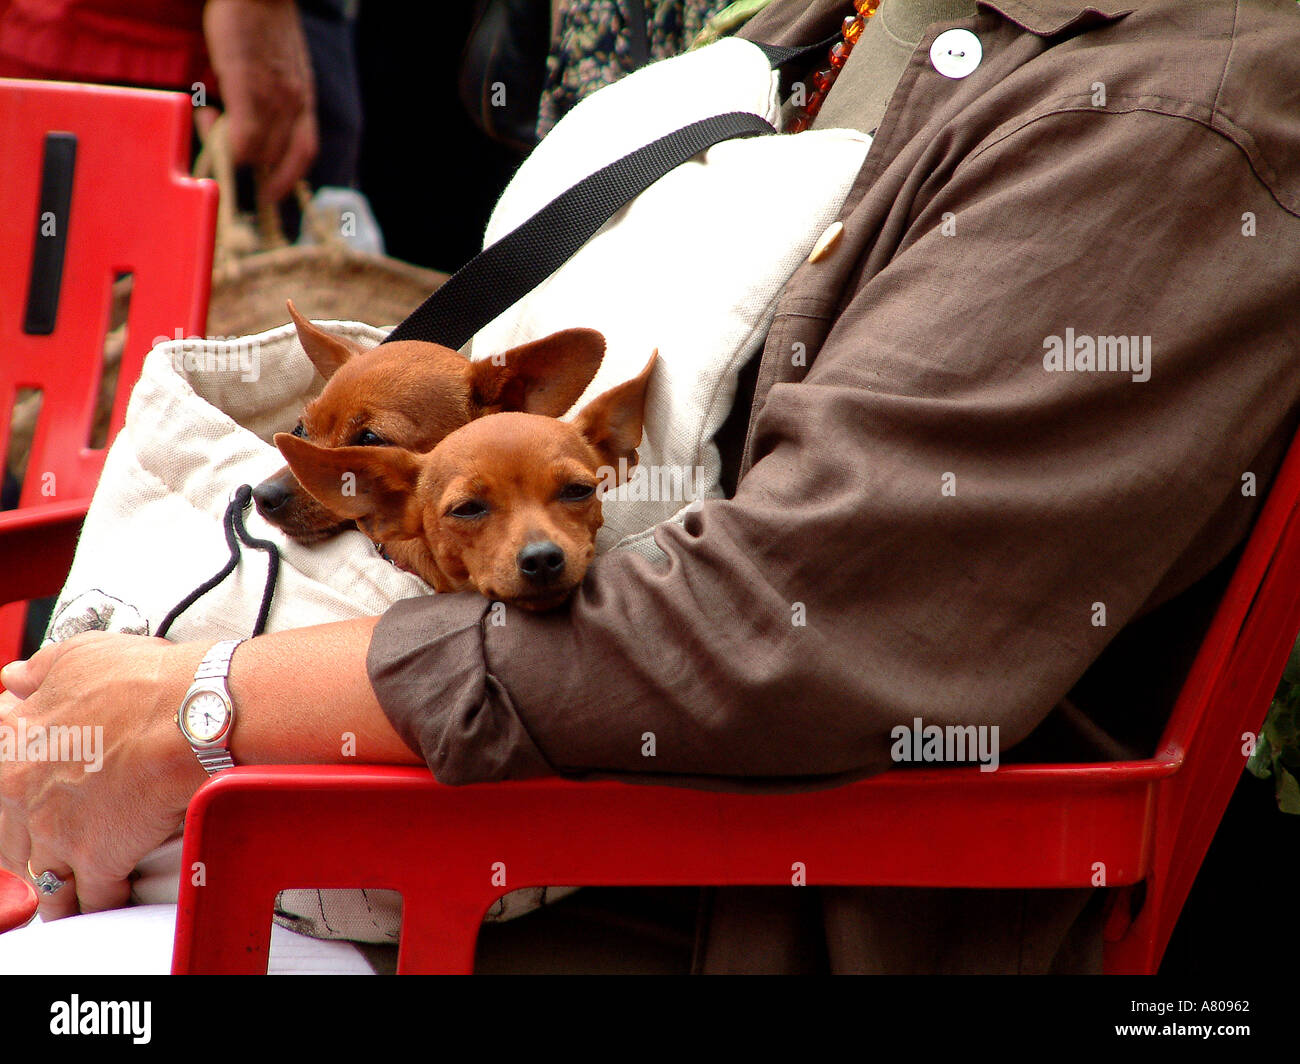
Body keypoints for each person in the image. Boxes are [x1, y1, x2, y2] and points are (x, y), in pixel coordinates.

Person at [2, 0, 1299, 974]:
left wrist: (191, 717)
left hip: (647, 901)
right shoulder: (867, 18)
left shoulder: (1169, 104)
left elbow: (770, 624)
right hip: (385, 824)